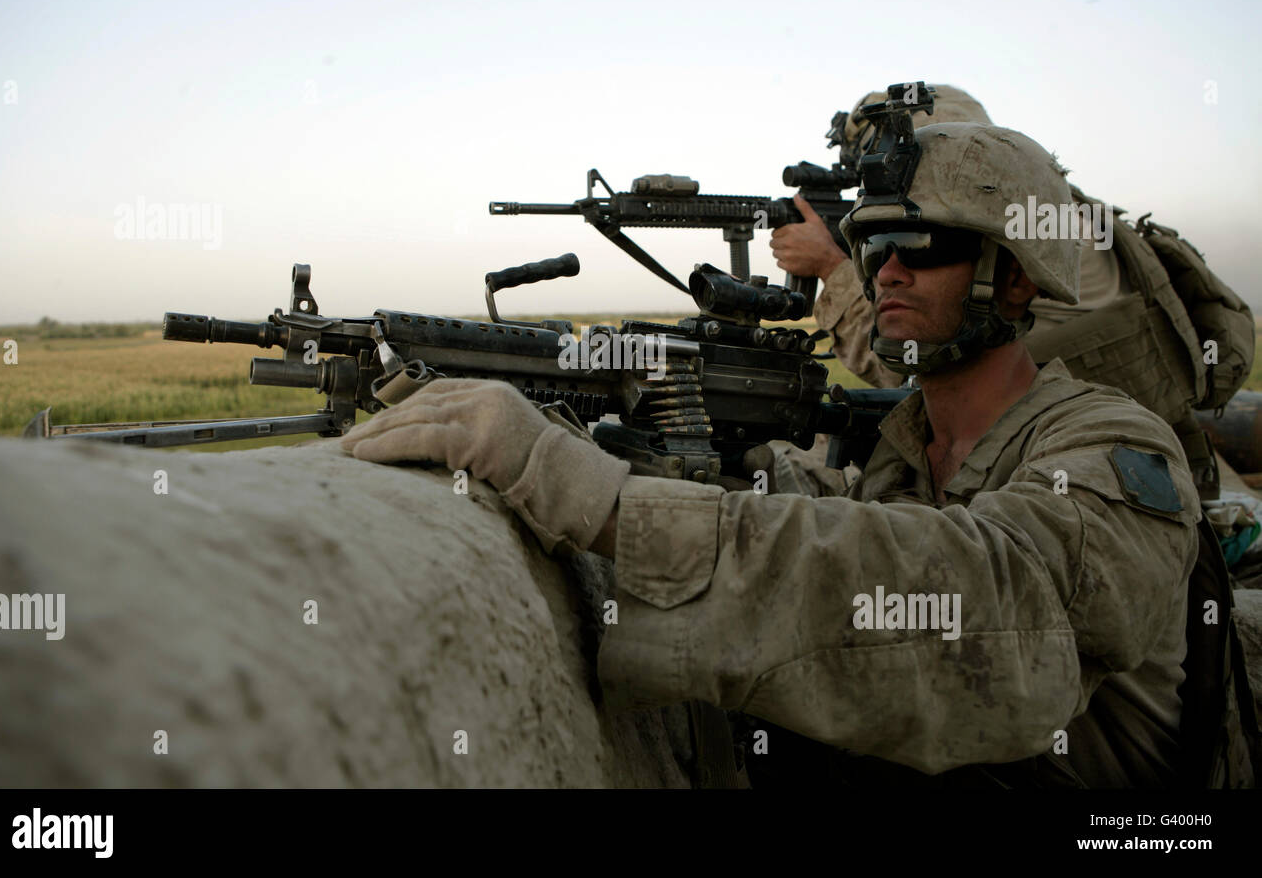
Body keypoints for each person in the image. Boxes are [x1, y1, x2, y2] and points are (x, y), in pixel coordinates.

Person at [340, 121, 1225, 786]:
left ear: (1021, 276)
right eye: (873, 248)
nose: (885, 273)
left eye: (920, 245)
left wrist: (603, 499)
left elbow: (986, 603)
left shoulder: (1113, 441)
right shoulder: (904, 449)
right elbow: (859, 521)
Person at [772, 87, 1253, 503]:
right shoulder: (1059, 211)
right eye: (877, 248)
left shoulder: (1014, 237)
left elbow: (904, 361)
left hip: (1058, 462)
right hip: (1100, 444)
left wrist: (832, 268)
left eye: (918, 244)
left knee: (792, 457)